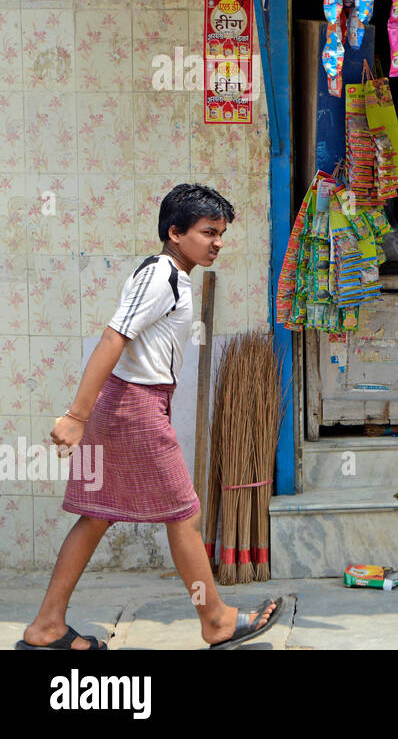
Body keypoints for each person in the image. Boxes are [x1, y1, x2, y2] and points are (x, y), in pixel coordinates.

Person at [18, 184, 285, 650]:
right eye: (208, 232)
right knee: (185, 515)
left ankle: (47, 627)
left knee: (96, 516)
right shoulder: (161, 276)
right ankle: (216, 620)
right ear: (175, 232)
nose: (217, 243)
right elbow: (112, 338)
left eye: (221, 233)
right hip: (133, 409)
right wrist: (76, 416)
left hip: (132, 404)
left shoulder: (173, 276)